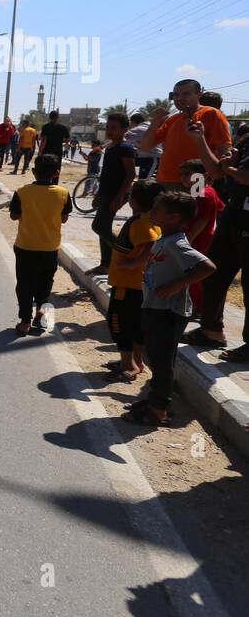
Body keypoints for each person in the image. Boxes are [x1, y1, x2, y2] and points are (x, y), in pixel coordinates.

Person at [123, 191, 215, 427]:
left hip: (168, 313)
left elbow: (207, 266)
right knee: (155, 357)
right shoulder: (164, 238)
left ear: (174, 217)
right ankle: (157, 400)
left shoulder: (177, 243)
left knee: (162, 361)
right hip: (155, 307)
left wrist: (177, 285)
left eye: (156, 210)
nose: (151, 212)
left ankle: (159, 410)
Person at [185, 118, 249, 356]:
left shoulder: (202, 190)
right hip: (234, 214)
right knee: (213, 272)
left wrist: (229, 168)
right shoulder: (245, 142)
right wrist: (199, 138)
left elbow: (240, 175)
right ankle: (211, 330)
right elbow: (214, 170)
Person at [106, 181, 162, 382]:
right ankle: (136, 361)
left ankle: (128, 364)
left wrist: (133, 263)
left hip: (126, 283)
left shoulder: (139, 222)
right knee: (137, 325)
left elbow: (150, 245)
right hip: (139, 284)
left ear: (132, 200)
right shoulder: (151, 220)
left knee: (118, 323)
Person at [9, 154, 71, 335]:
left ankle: (25, 322)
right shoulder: (63, 193)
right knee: (45, 285)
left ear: (34, 171)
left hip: (25, 247)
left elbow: (13, 215)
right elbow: (64, 218)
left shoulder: (22, 191)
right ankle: (41, 316)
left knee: (24, 284)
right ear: (57, 172)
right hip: (50, 248)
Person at [134, 78, 232, 189]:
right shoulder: (173, 119)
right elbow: (145, 146)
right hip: (165, 179)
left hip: (196, 180)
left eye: (186, 94)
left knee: (196, 206)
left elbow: (224, 150)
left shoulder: (211, 113)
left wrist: (212, 175)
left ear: (199, 95)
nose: (180, 98)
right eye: (176, 95)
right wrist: (155, 121)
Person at [85, 113, 136, 275]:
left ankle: (128, 254)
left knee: (99, 226)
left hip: (117, 194)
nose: (109, 130)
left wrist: (120, 195)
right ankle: (105, 264)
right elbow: (106, 174)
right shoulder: (111, 146)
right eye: (108, 127)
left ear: (124, 129)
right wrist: (99, 194)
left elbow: (130, 174)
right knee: (103, 228)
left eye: (114, 128)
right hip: (106, 192)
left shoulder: (125, 147)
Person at [179, 157, 223, 313]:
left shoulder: (203, 194)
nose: (183, 177)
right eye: (182, 174)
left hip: (200, 239)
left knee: (194, 274)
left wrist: (189, 238)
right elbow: (220, 207)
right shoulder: (207, 191)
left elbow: (202, 220)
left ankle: (197, 306)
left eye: (187, 174)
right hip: (203, 238)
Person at [125, 112, 159, 179]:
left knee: (144, 182)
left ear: (132, 122)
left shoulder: (138, 129)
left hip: (151, 159)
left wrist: (101, 147)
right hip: (146, 157)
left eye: (130, 123)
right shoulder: (149, 127)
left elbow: (121, 137)